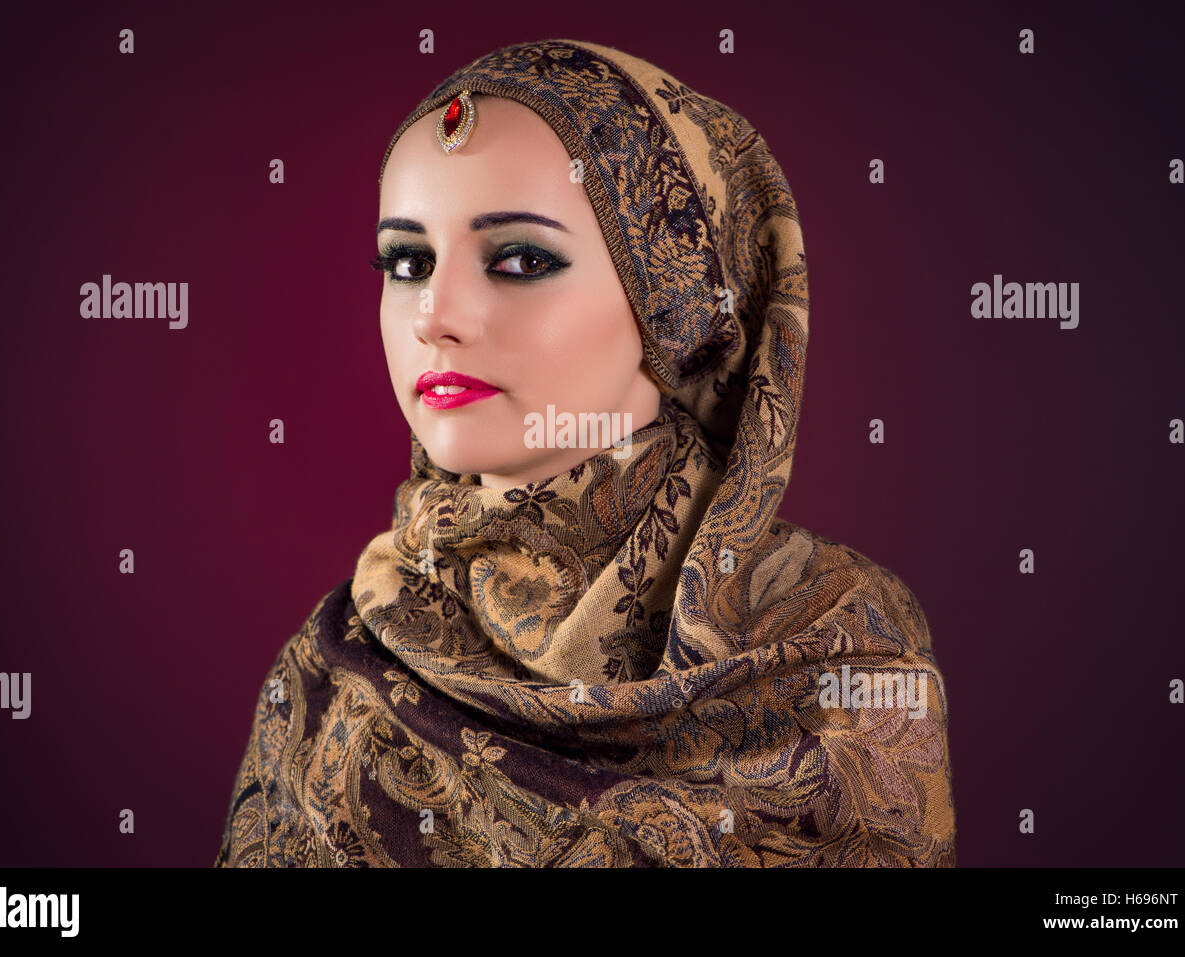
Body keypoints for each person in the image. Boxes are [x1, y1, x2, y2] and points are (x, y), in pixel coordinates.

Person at [215, 38, 956, 867]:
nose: (433, 314)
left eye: (522, 259)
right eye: (408, 260)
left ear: (677, 306)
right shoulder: (336, 662)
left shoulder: (840, 646)